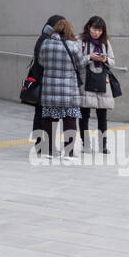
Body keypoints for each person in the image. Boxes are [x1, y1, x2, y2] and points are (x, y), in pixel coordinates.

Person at [38, 18, 88, 158]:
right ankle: (69, 151)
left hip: (49, 90)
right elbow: (80, 63)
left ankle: (48, 150)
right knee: (70, 118)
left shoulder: (46, 44)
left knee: (49, 119)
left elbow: (41, 61)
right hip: (68, 90)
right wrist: (88, 57)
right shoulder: (72, 45)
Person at [79, 16, 114, 154]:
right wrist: (90, 57)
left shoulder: (105, 42)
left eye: (99, 30)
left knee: (102, 116)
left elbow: (112, 61)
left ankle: (103, 145)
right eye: (94, 29)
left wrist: (105, 59)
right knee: (84, 115)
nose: (96, 33)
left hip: (101, 82)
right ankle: (85, 145)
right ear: (89, 27)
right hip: (86, 81)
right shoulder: (81, 41)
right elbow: (76, 61)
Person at [29, 14, 65, 149]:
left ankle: (40, 143)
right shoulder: (45, 40)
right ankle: (41, 143)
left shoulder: (45, 38)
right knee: (43, 114)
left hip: (44, 80)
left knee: (42, 113)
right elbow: (41, 63)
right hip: (44, 82)